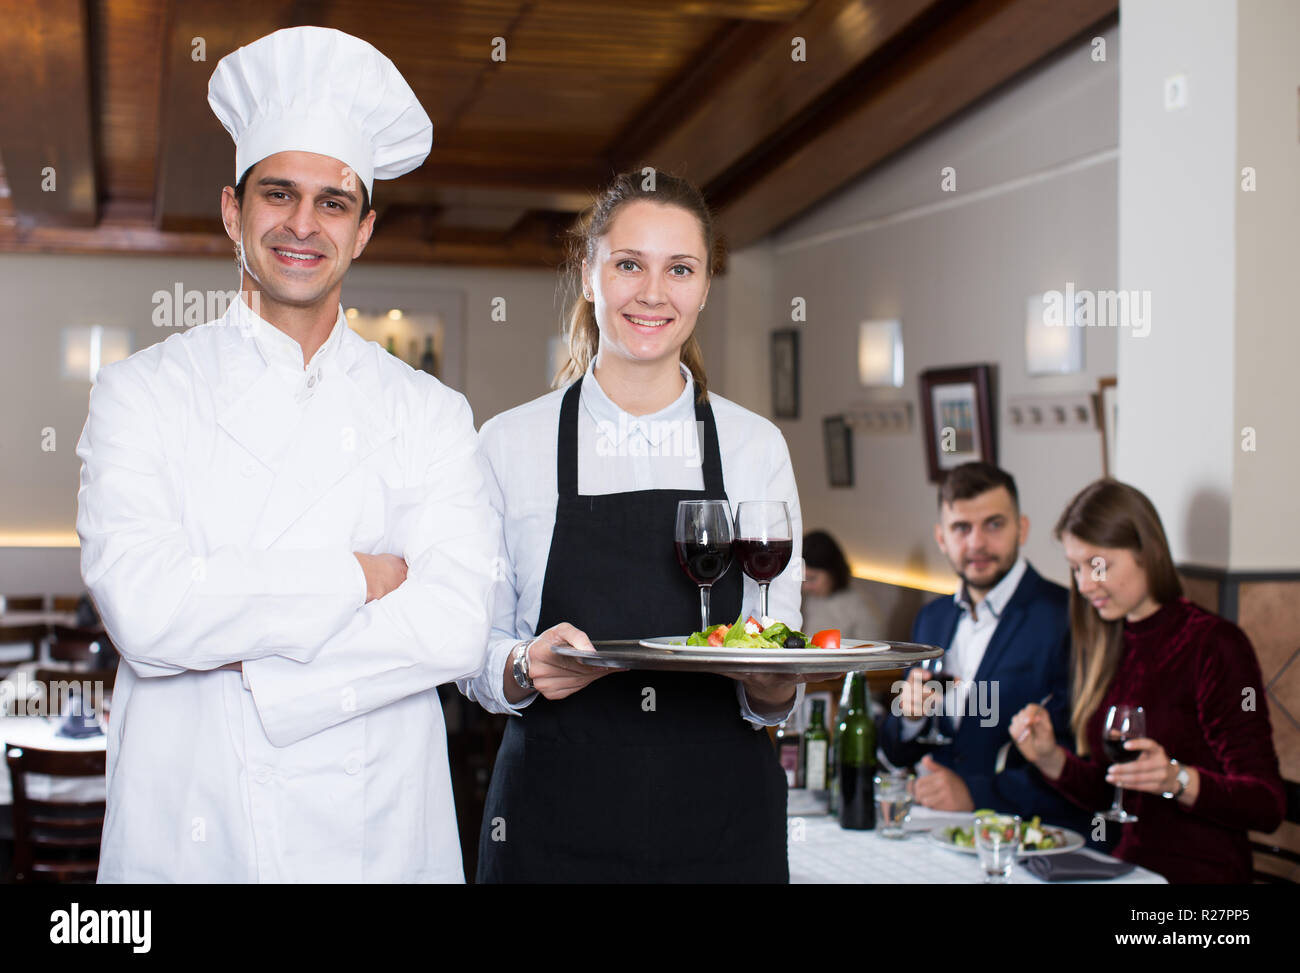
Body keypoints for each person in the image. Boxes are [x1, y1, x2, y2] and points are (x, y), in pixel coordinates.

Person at [76, 27, 498, 882]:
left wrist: (240, 645)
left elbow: (455, 627)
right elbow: (148, 613)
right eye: (278, 194)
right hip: (192, 826)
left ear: (364, 228)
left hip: (376, 835)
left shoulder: (431, 413)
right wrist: (359, 578)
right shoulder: (141, 394)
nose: (303, 225)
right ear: (234, 211)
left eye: (333, 202)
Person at [459, 170, 818, 883]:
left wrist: (778, 681)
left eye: (679, 268)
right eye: (629, 264)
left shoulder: (753, 447)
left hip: (721, 827)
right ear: (590, 274)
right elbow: (472, 645)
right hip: (552, 824)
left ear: (704, 286)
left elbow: (775, 655)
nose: (653, 292)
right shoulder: (510, 443)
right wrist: (523, 667)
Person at [1011, 479, 1285, 882]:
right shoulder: (1109, 641)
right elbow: (1111, 794)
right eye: (1075, 568)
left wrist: (1178, 779)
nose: (1084, 584)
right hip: (1125, 868)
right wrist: (1050, 758)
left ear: (1146, 552)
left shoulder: (1215, 645)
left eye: (1098, 565)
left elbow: (1267, 805)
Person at [878, 463, 1087, 832]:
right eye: (962, 528)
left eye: (994, 524)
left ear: (1021, 529)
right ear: (942, 538)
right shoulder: (931, 618)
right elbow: (896, 752)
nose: (976, 543)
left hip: (1023, 836)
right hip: (932, 829)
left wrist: (976, 794)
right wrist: (910, 718)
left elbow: (1079, 760)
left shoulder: (1067, 618)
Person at [801, 530, 882, 638]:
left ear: (832, 572)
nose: (805, 587)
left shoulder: (861, 606)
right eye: (803, 579)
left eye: (812, 578)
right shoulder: (812, 598)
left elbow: (872, 649)